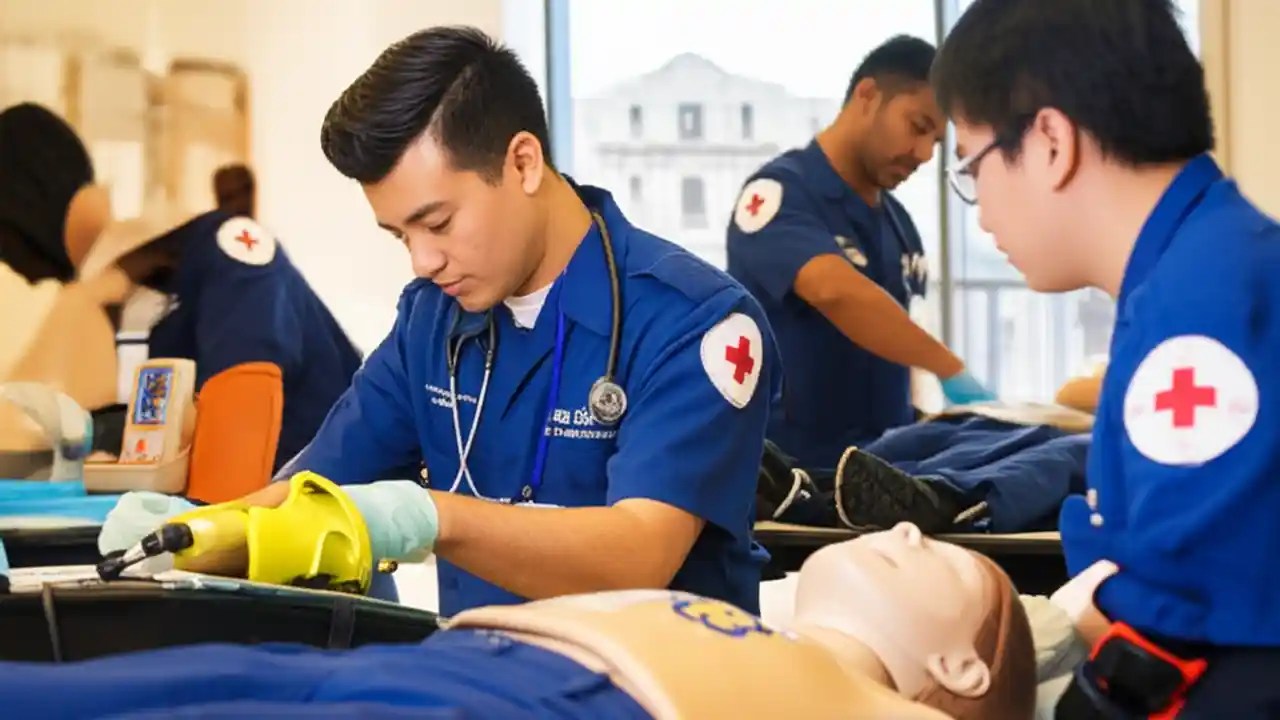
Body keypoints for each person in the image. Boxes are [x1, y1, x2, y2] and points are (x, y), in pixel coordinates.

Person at [102, 26, 779, 617]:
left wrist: (433, 516)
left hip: (653, 688)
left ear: (523, 162)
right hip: (477, 681)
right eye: (400, 235)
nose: (423, 262)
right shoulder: (432, 322)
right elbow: (315, 493)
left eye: (438, 222)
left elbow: (637, 554)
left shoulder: (695, 324)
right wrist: (192, 534)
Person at [932, 0, 1280, 715]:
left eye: (971, 165)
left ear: (1052, 142)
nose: (982, 209)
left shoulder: (1197, 307)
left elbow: (1185, 637)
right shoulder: (1204, 264)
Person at [0, 524, 1036, 720]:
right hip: (443, 662)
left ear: (957, 667)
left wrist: (1069, 629)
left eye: (939, 554)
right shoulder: (767, 639)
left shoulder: (877, 709)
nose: (906, 522)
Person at [725, 36, 994, 472]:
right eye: (918, 126)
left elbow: (891, 340)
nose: (924, 154)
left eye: (937, 143)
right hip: (795, 470)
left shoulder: (897, 224)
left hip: (881, 466)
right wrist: (948, 366)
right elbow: (835, 291)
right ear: (867, 96)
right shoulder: (779, 195)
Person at [102, 207, 363, 474]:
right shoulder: (172, 287)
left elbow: (241, 403)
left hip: (308, 485)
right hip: (278, 486)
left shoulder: (229, 253)